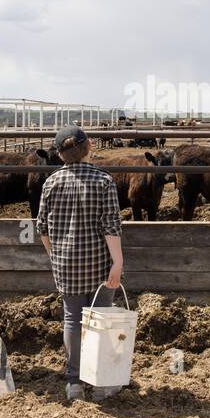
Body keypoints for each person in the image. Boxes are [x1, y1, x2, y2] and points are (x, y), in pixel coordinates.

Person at [35, 125, 124, 402]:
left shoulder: (51, 182)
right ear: (90, 146)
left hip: (66, 264)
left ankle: (74, 382)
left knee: (72, 320)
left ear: (61, 155)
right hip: (99, 264)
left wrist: (55, 257)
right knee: (100, 320)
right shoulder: (104, 181)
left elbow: (42, 228)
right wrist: (117, 263)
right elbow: (111, 227)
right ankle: (100, 383)